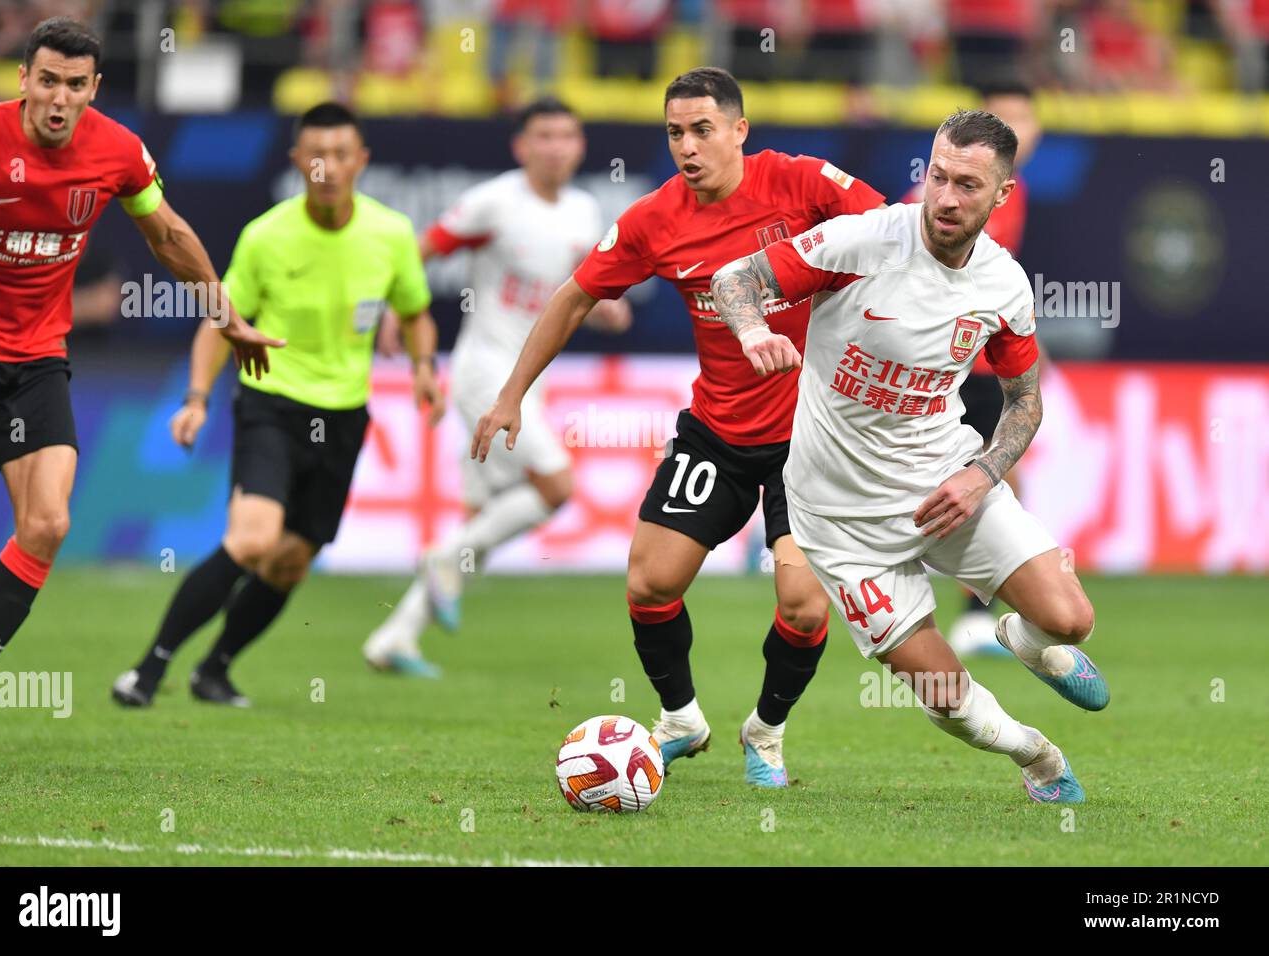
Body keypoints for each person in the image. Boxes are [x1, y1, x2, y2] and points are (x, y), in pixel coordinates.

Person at [472, 67, 885, 788]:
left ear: (738, 131)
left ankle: (767, 733)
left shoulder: (805, 183)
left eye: (701, 130)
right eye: (673, 133)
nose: (686, 148)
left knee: (803, 601)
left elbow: (895, 235)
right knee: (650, 584)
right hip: (718, 432)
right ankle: (681, 721)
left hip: (812, 439)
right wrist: (511, 394)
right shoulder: (653, 219)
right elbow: (574, 299)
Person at [710, 108, 1109, 804]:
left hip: (941, 482)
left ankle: (1020, 634)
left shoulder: (1003, 286)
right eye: (939, 177)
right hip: (839, 518)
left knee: (1072, 621)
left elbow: (1024, 402)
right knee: (949, 698)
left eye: (969, 186)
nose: (947, 199)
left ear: (1003, 195)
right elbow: (735, 280)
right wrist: (750, 332)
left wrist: (981, 476)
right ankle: (1038, 756)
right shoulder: (860, 242)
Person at [0, 16, 279, 727]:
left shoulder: (117, 151)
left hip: (40, 354)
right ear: (22, 80)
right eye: (46, 80)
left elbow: (167, 233)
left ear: (93, 89)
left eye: (75, 86)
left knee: (47, 523)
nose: (58, 98)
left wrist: (226, 315)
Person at [112, 102, 441, 707]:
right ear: (297, 161)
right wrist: (196, 398)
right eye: (316, 154)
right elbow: (220, 320)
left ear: (361, 161)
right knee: (253, 539)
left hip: (343, 415)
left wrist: (423, 367)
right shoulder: (266, 235)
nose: (329, 167)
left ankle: (214, 669)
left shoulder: (391, 234)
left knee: (290, 563)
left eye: (342, 154)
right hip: (273, 403)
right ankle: (147, 669)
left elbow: (416, 312)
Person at [363, 96, 630, 678]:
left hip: (528, 382)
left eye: (567, 135)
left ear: (579, 145)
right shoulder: (495, 201)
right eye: (544, 135)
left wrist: (608, 309)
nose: (556, 146)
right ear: (522, 146)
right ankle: (435, 561)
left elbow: (584, 282)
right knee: (557, 487)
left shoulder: (584, 210)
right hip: (484, 372)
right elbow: (420, 250)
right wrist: (394, 309)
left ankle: (396, 635)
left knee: (477, 518)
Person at [902, 80, 1042, 656]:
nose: (1019, 130)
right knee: (995, 480)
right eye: (1007, 118)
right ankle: (969, 615)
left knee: (1002, 479)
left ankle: (971, 608)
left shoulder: (1013, 192)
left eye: (1026, 119)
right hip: (964, 370)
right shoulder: (951, 196)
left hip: (979, 362)